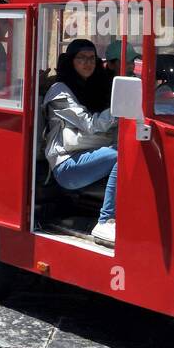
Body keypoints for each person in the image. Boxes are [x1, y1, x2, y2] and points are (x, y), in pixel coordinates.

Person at [42, 39, 118, 247]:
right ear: (70, 62)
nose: (88, 63)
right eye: (81, 58)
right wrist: (120, 110)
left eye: (92, 58)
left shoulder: (97, 87)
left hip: (92, 157)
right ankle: (106, 220)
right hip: (67, 165)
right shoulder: (59, 91)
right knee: (122, 156)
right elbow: (90, 124)